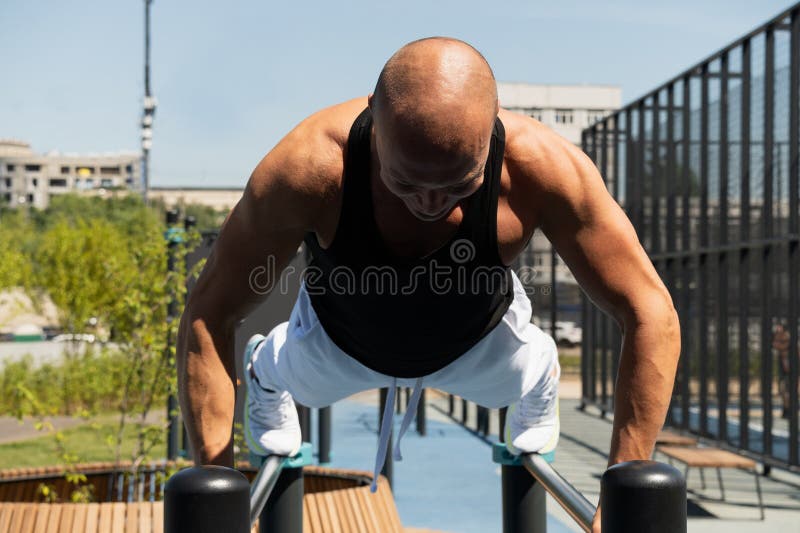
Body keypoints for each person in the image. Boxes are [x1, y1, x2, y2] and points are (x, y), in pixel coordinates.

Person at [177, 37, 680, 531]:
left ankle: (542, 370)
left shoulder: (541, 168)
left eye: (461, 184)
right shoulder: (310, 166)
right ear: (373, 118)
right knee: (283, 370)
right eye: (407, 183)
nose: (432, 204)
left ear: (495, 122)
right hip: (335, 348)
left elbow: (649, 309)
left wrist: (623, 484)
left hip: (481, 349)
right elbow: (209, 312)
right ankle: (265, 371)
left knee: (525, 370)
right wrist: (215, 492)